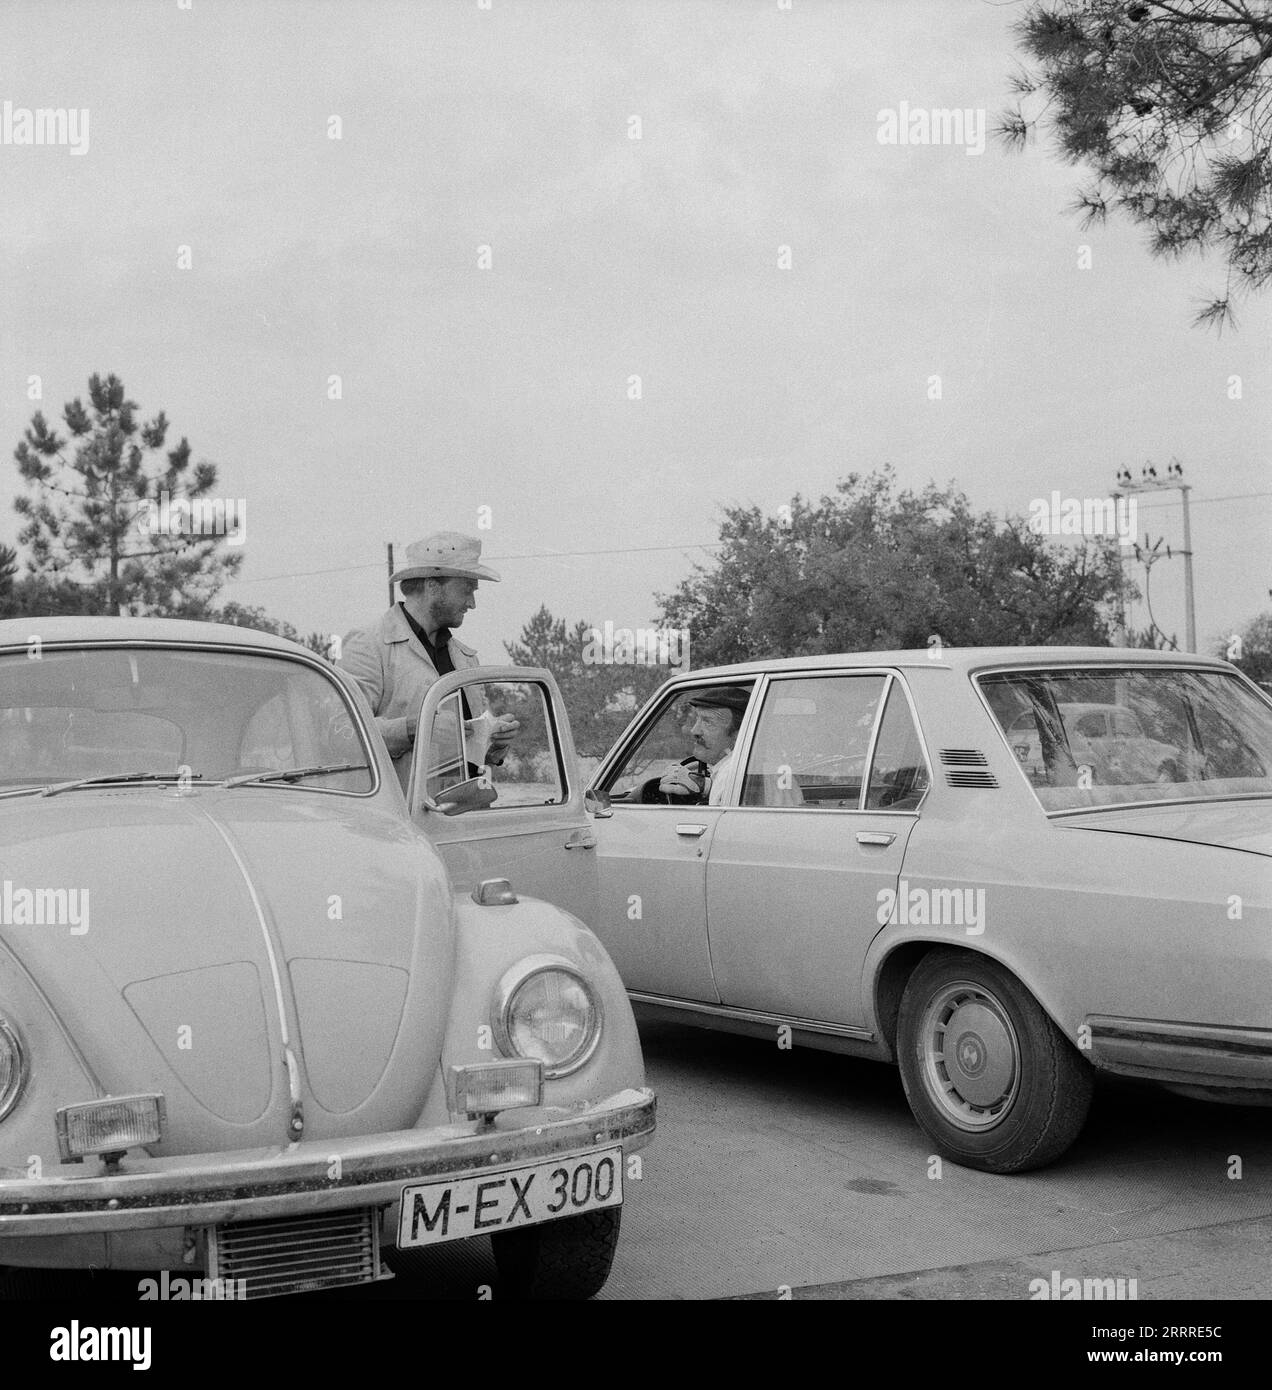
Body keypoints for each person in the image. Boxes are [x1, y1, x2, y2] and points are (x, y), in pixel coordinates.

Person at [339, 532, 518, 790]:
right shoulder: (368, 646)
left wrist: (494, 743)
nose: (472, 603)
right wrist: (415, 728)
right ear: (433, 586)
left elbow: (473, 750)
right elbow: (343, 734)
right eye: (467, 590)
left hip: (463, 819)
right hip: (400, 821)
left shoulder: (465, 658)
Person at [657, 686, 750, 805]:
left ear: (739, 735)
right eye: (697, 719)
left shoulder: (730, 773)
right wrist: (704, 785)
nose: (694, 730)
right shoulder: (744, 770)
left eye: (708, 722)